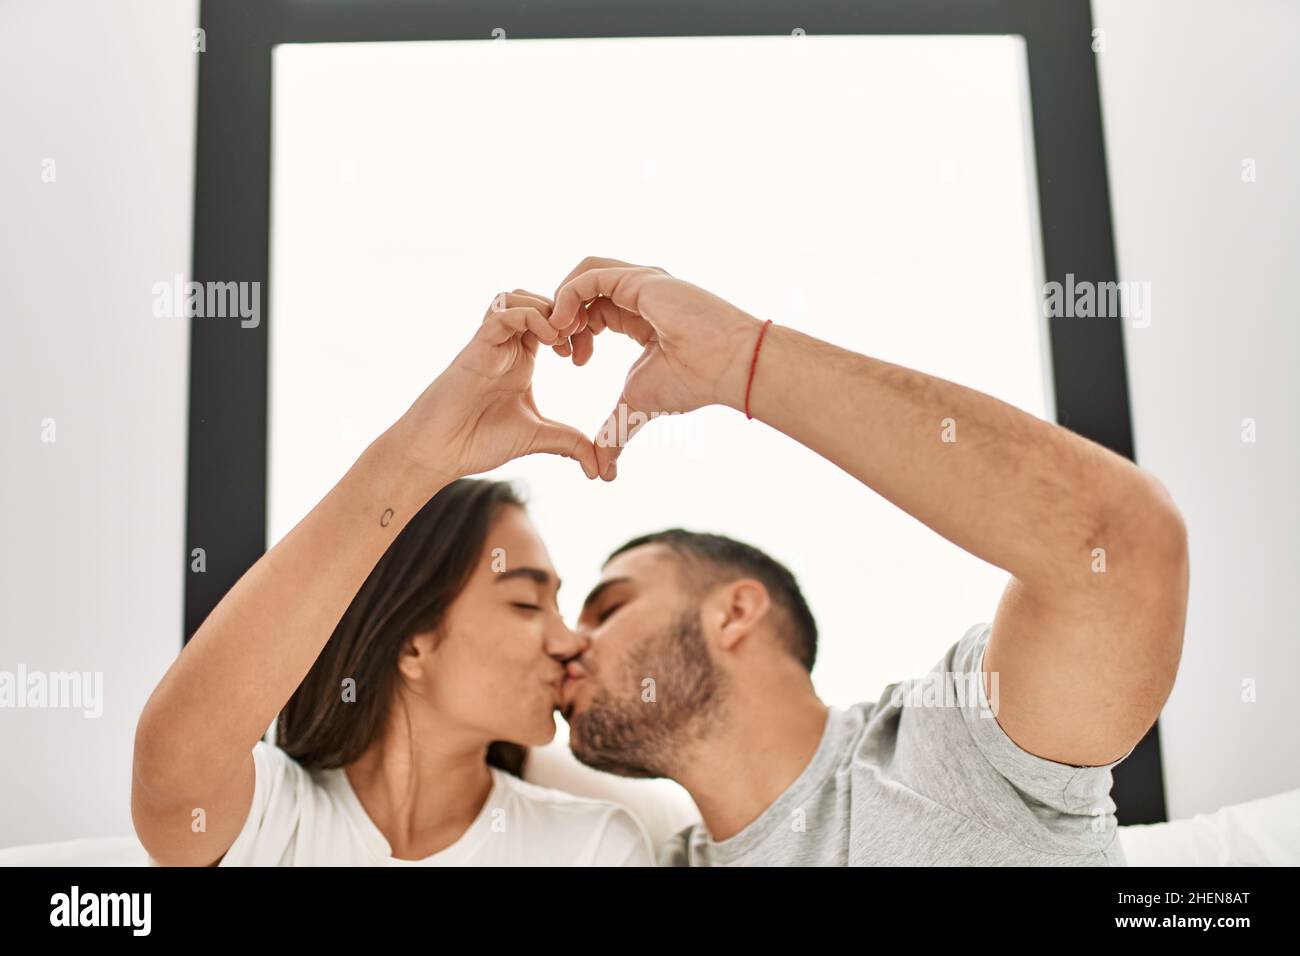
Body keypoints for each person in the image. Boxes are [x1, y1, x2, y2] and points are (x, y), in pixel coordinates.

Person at [546, 256, 1189, 866]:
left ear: (735, 613)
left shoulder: (956, 748)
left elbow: (1119, 544)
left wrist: (740, 358)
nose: (571, 643)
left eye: (609, 607)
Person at [132, 289, 652, 866]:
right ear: (411, 640)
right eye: (528, 604)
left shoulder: (593, 847)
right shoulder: (271, 820)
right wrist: (420, 453)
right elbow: (172, 766)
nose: (570, 641)